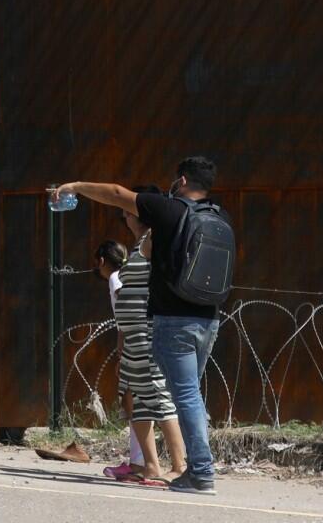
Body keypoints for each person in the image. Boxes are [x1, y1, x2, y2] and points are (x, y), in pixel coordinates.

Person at [53, 156, 231, 495]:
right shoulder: (219, 216)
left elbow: (118, 193)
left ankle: (200, 474)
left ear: (181, 181)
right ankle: (192, 469)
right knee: (185, 394)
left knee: (183, 397)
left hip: (173, 320)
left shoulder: (170, 209)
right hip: (208, 318)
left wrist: (75, 186)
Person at [101, 188, 187, 485]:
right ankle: (150, 466)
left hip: (148, 333)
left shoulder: (154, 239)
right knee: (136, 400)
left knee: (160, 397)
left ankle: (180, 465)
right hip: (133, 337)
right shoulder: (139, 244)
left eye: (128, 210)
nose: (124, 215)